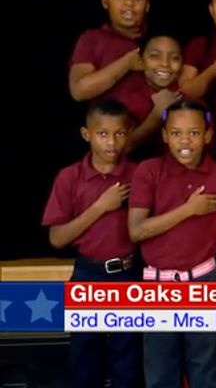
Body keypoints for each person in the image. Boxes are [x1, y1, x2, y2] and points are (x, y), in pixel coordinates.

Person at [128, 99, 216, 388]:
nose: (184, 141)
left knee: (207, 369)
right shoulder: (149, 171)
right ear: (165, 136)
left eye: (193, 132)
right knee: (160, 369)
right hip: (158, 284)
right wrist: (188, 210)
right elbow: (136, 231)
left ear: (208, 135)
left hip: (203, 280)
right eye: (176, 133)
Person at [42, 99, 141, 388]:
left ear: (130, 133)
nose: (111, 142)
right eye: (102, 134)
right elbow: (57, 238)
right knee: (85, 360)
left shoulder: (140, 174)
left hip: (130, 273)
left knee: (129, 362)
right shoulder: (70, 177)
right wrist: (100, 206)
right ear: (86, 134)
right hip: (88, 274)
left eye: (119, 134)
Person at [68, 0, 151, 102]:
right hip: (107, 122)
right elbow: (79, 91)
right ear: (105, 1)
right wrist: (127, 63)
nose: (129, 3)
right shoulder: (92, 39)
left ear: (147, 5)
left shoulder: (158, 40)